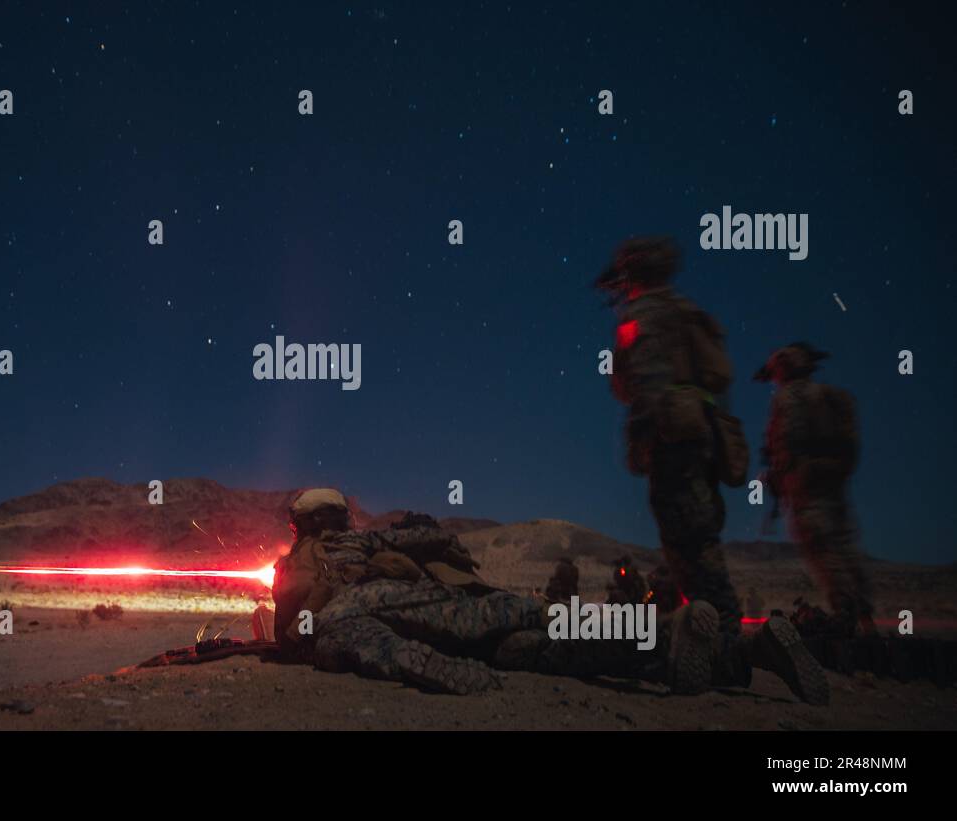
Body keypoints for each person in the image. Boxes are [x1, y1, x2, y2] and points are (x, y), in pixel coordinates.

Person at [272, 488, 827, 703]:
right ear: (340, 516)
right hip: (462, 616)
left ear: (297, 524)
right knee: (555, 629)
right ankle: (741, 652)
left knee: (543, 646)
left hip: (438, 633)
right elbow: (434, 537)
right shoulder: (365, 540)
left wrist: (428, 665)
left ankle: (708, 649)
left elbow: (328, 631)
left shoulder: (303, 567)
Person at [595, 236, 747, 640]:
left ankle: (721, 638)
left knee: (686, 544)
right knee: (702, 534)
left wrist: (641, 441)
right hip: (704, 435)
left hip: (672, 438)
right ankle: (723, 630)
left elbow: (645, 385)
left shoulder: (642, 315)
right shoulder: (687, 312)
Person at [756, 343, 875, 637]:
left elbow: (788, 441)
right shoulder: (827, 398)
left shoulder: (790, 398)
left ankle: (845, 616)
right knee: (844, 546)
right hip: (832, 482)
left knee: (822, 549)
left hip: (805, 486)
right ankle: (864, 617)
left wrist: (778, 476)